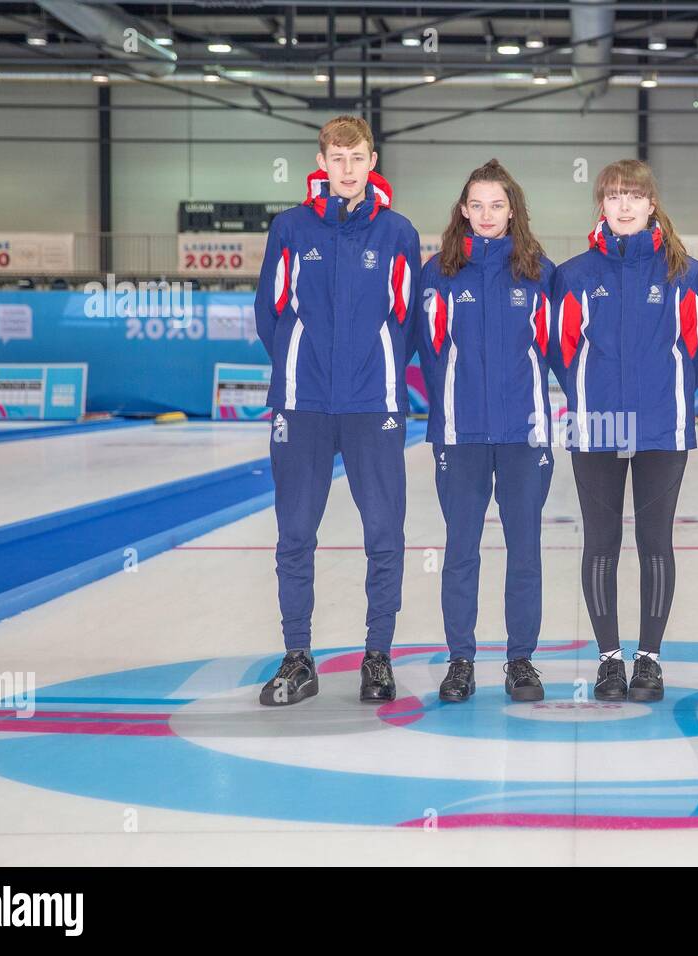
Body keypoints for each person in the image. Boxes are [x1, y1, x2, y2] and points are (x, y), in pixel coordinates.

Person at [253, 115, 421, 706]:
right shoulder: (291, 228)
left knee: (384, 532)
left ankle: (378, 657)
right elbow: (268, 312)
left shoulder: (398, 232)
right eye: (336, 159)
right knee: (295, 533)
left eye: (357, 159)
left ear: (372, 161)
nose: (346, 170)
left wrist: (377, 376)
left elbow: (407, 320)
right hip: (301, 405)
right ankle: (298, 657)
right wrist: (301, 368)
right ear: (321, 163)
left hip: (373, 406)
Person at [548, 159, 698, 703]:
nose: (623, 205)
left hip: (662, 427)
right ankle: (609, 660)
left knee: (654, 542)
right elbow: (560, 348)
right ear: (601, 204)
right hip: (595, 426)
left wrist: (668, 393)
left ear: (650, 204)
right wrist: (586, 392)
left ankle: (649, 659)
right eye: (613, 196)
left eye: (633, 196)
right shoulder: (573, 275)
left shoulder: (684, 272)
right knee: (601, 543)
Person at [415, 159, 556, 703]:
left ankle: (521, 660)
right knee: (461, 550)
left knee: (525, 551)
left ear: (513, 210)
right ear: (463, 210)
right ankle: (460, 660)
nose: (486, 214)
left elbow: (555, 349)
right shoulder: (439, 274)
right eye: (476, 205)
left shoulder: (541, 272)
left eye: (497, 205)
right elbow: (429, 352)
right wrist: (455, 404)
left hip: (525, 436)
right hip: (460, 435)